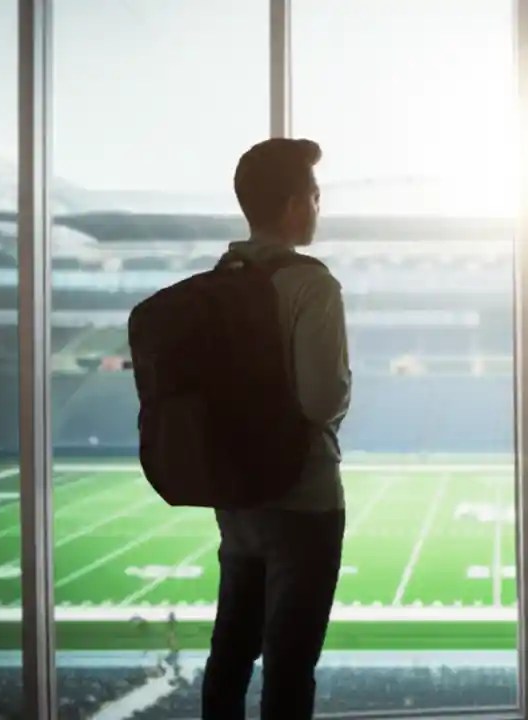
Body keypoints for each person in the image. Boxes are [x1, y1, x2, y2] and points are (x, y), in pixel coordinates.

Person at [201, 138, 351, 720]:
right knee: (289, 666)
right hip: (302, 495)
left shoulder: (221, 276)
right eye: (314, 196)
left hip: (236, 493)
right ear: (294, 204)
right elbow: (322, 398)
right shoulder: (311, 284)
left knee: (231, 652)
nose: (317, 207)